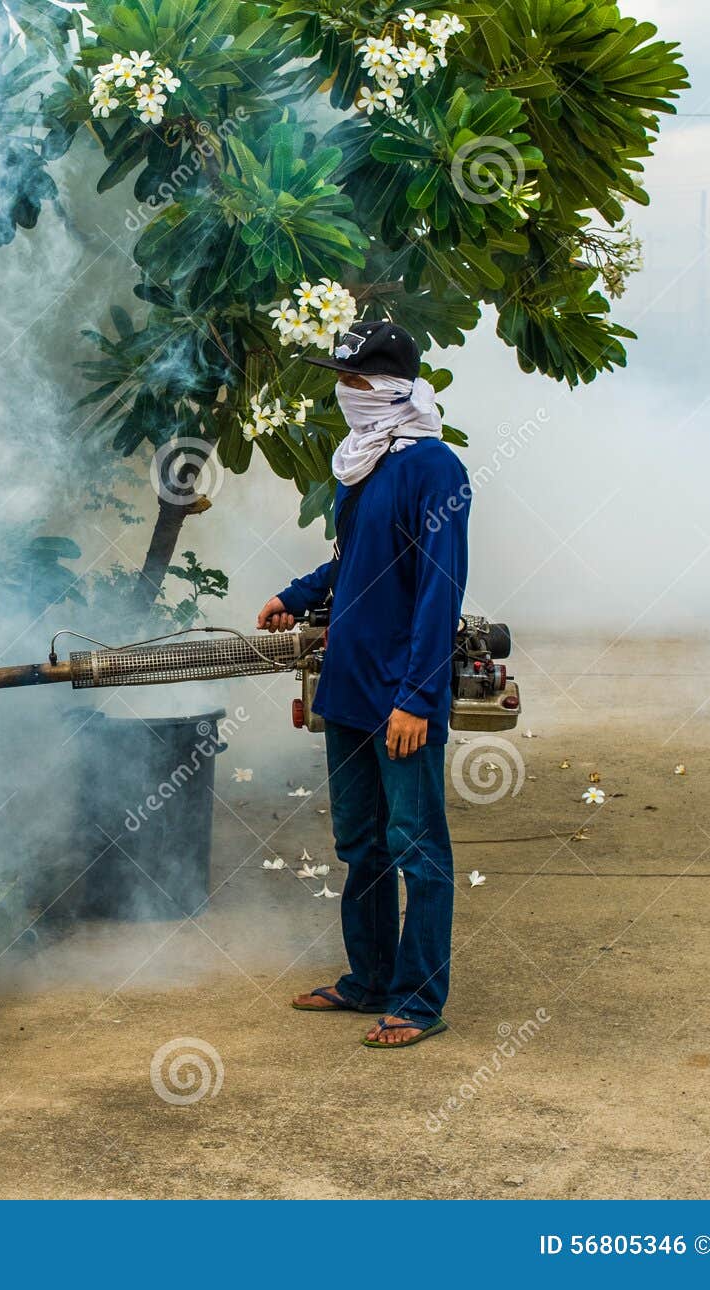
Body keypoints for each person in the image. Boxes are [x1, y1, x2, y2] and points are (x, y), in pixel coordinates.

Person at [255, 319, 469, 1049]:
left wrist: (418, 697)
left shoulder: (433, 469)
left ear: (388, 387)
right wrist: (297, 594)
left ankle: (417, 1000)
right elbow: (351, 561)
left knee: (417, 847)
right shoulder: (362, 463)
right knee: (362, 844)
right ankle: (368, 980)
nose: (343, 391)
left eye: (353, 379)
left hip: (398, 694)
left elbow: (440, 591)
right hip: (347, 688)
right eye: (339, 378)